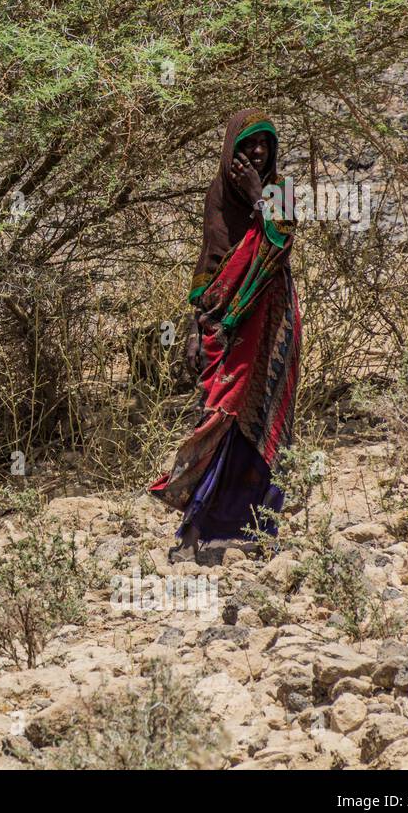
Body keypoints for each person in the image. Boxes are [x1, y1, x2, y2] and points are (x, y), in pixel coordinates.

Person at [149, 108, 302, 566]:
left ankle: (253, 530)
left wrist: (260, 197)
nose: (257, 153)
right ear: (230, 151)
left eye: (265, 145)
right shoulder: (217, 199)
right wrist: (196, 328)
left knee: (260, 420)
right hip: (225, 330)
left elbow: (280, 243)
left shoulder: (282, 192)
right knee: (219, 418)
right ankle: (201, 528)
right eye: (248, 145)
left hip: (271, 326)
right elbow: (208, 271)